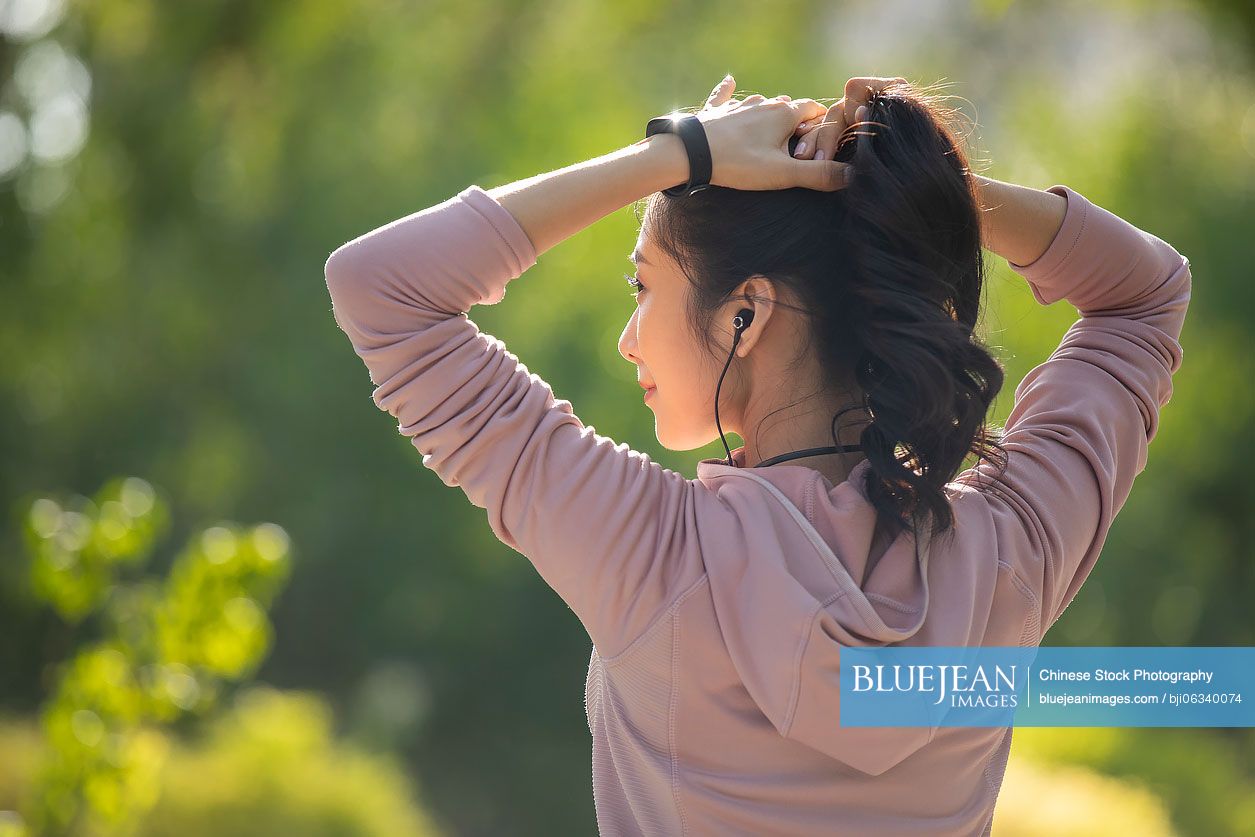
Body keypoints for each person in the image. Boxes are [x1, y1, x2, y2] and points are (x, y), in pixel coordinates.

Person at [324, 75, 1191, 836]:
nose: (628, 339)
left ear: (748, 312)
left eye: (642, 286)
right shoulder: (1010, 548)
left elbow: (383, 288)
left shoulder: (649, 552)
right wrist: (910, 186)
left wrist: (678, 155)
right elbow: (1143, 296)